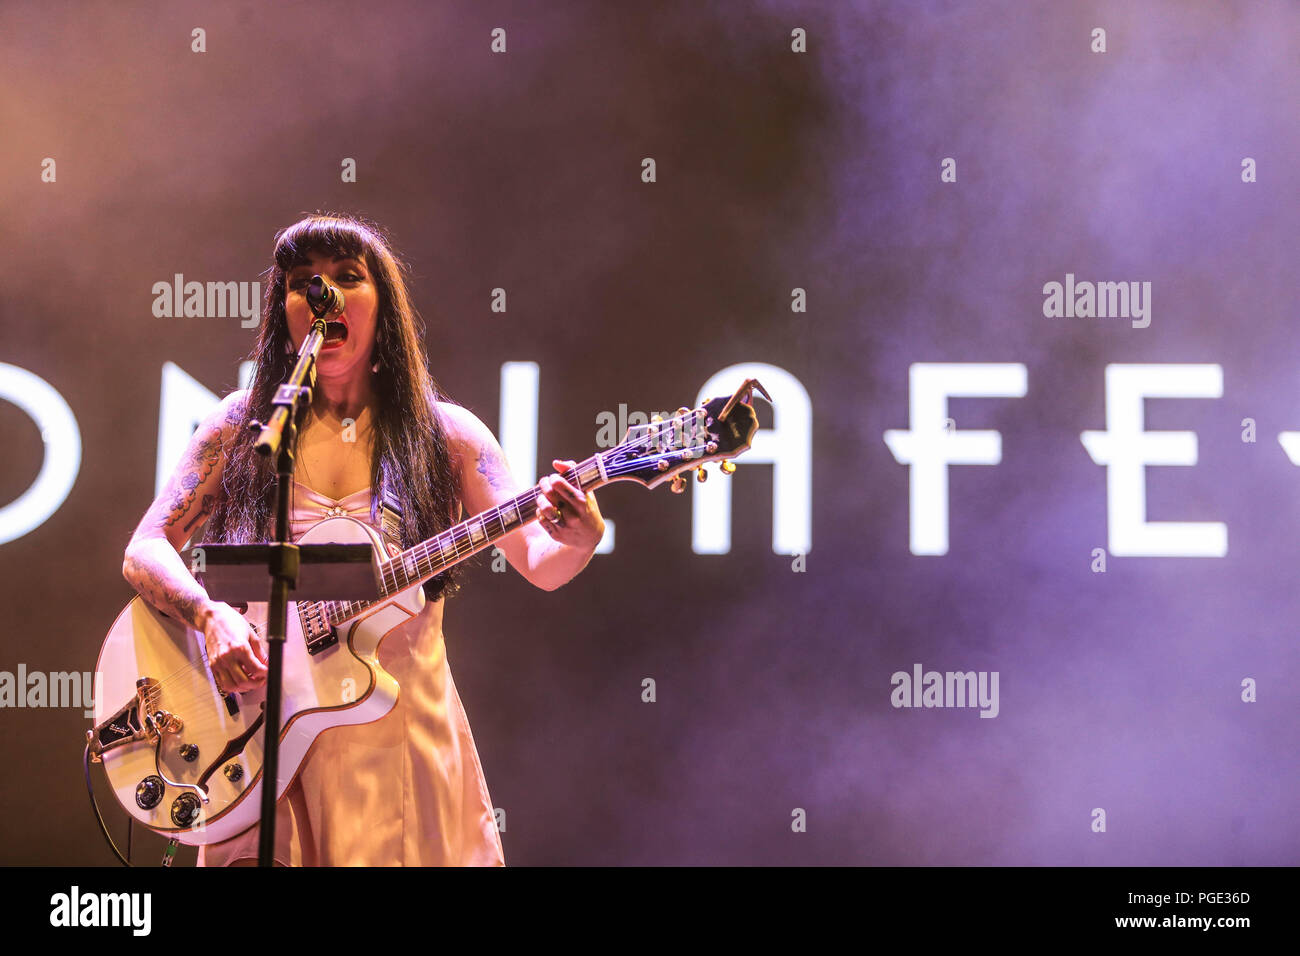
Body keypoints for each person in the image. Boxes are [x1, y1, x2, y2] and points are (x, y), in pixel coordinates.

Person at [120, 213, 605, 865]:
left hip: (400, 745)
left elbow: (539, 564)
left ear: (383, 304)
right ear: (282, 309)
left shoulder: (450, 435)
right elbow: (145, 548)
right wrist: (210, 619)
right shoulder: (241, 427)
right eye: (303, 282)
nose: (326, 294)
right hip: (266, 736)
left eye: (348, 277)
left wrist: (580, 536)